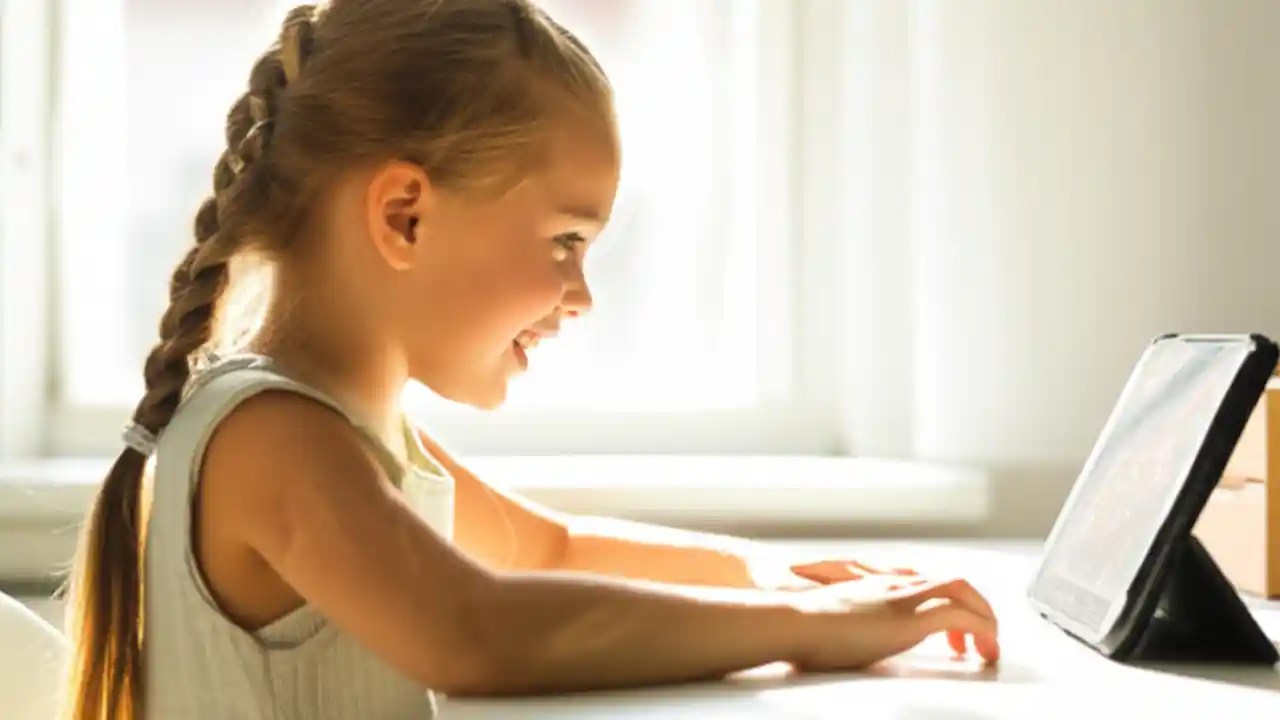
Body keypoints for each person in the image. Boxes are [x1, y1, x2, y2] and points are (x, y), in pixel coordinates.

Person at [61, 1, 1000, 718]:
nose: (582, 295)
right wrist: (806, 634)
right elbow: (469, 630)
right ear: (405, 216)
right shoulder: (272, 441)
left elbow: (549, 548)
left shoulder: (346, 428)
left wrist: (775, 578)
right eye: (564, 241)